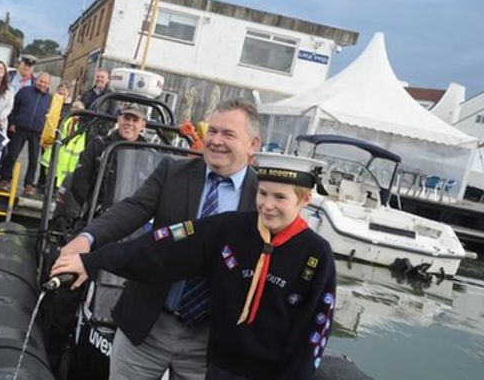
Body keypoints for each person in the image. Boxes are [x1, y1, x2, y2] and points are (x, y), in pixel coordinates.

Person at [52, 153, 337, 380]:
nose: (267, 205)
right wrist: (93, 260)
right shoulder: (228, 229)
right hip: (218, 369)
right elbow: (162, 245)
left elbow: (313, 333)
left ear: (305, 199)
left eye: (280, 197)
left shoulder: (317, 254)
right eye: (262, 193)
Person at [58, 99, 261, 380]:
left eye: (228, 134)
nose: (216, 141)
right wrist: (87, 238)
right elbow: (131, 209)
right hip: (146, 329)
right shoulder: (172, 172)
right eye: (212, 131)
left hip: (209, 343)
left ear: (253, 145)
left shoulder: (263, 197)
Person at [55, 102, 148, 221]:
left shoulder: (149, 154)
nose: (129, 123)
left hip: (133, 217)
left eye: (135, 120)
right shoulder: (99, 145)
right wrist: (93, 205)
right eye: (126, 118)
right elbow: (80, 180)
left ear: (143, 125)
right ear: (119, 119)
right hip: (98, 215)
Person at [0, 72, 52, 195]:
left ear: (49, 85)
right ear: (36, 81)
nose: (42, 84)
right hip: (20, 128)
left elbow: (51, 118)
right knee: (12, 154)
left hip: (37, 132)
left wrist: (45, 132)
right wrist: (12, 122)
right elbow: (13, 107)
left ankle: (29, 184)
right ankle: (5, 179)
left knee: (33, 159)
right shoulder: (25, 91)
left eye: (45, 82)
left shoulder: (50, 99)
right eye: (41, 81)